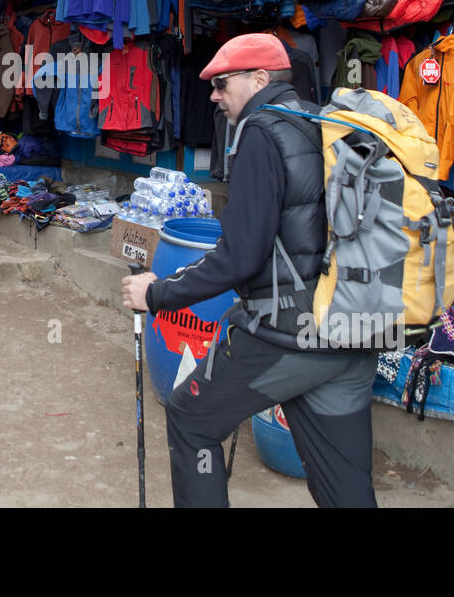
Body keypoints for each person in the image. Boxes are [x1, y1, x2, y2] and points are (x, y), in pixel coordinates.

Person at [121, 33, 378, 508]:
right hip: (355, 328)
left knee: (190, 420)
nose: (214, 96)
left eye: (221, 83)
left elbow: (240, 256)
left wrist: (157, 293)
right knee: (345, 483)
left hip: (289, 334)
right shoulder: (320, 122)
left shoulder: (261, 131)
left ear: (260, 78)